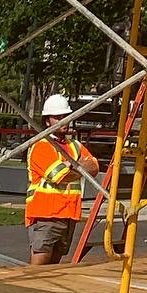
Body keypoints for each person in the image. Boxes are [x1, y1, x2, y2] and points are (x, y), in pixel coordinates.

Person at [26, 93, 98, 265]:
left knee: (54, 269)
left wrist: (70, 165)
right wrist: (80, 166)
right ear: (47, 121)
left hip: (68, 214)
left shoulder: (74, 145)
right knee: (39, 266)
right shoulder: (41, 145)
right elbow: (57, 176)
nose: (63, 121)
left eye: (65, 117)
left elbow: (94, 167)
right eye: (57, 117)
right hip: (45, 215)